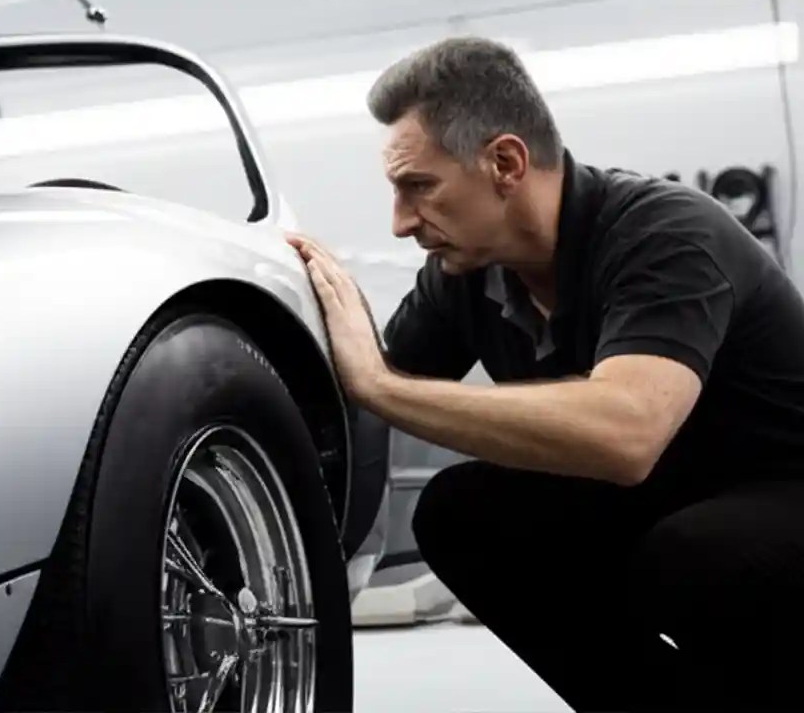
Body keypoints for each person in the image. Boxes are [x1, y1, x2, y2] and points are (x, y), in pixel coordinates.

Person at [287, 36, 804, 712]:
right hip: (671, 498)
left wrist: (380, 386)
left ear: (505, 162)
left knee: (693, 557)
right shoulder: (464, 277)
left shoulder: (665, 235)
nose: (400, 222)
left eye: (420, 186)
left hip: (780, 493)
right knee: (461, 514)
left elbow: (625, 436)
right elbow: (354, 393)